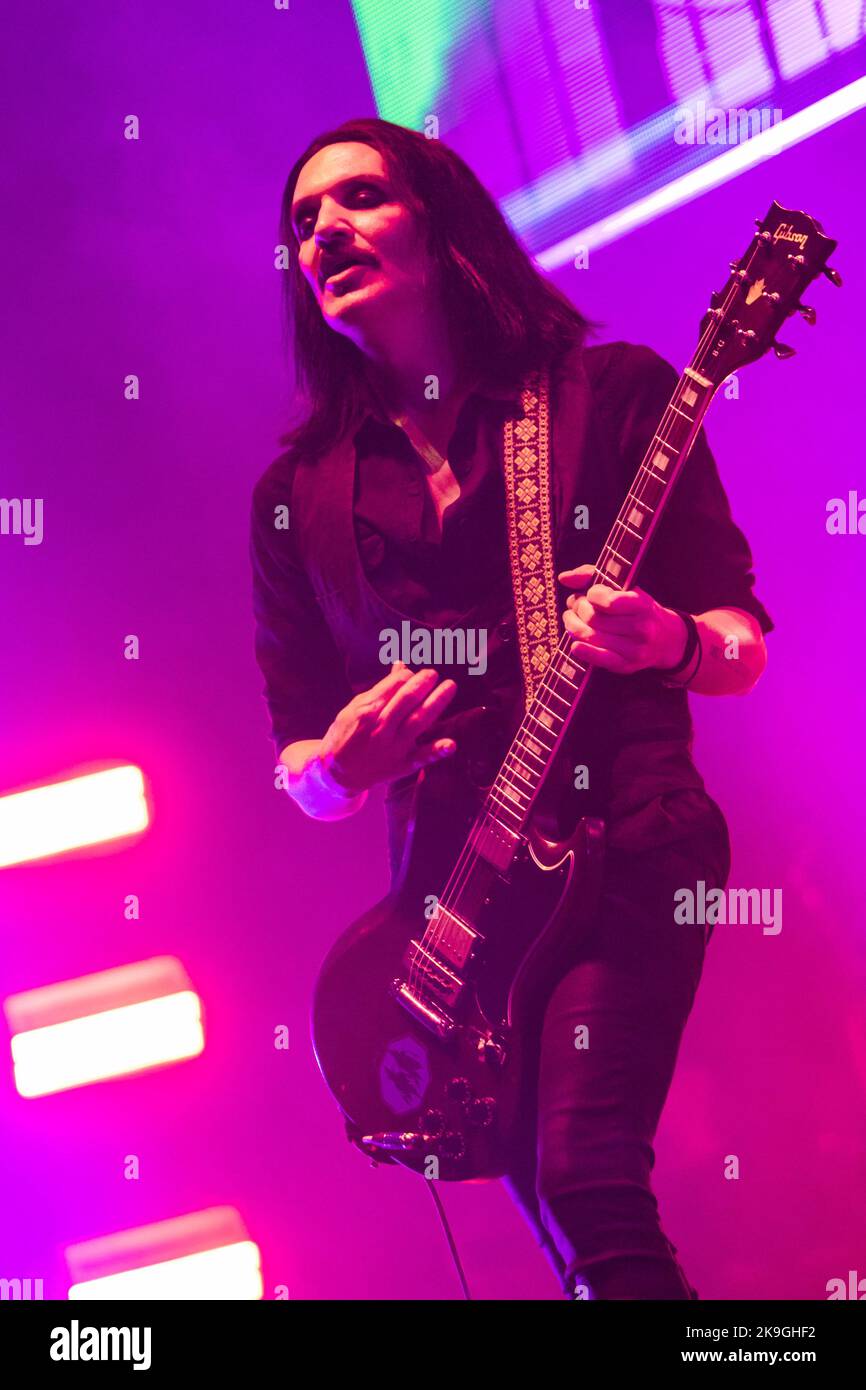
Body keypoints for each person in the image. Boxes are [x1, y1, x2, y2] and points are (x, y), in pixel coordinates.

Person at [250, 117, 772, 1299]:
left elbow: (740, 641)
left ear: (438, 230)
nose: (323, 229)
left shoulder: (611, 393)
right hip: (456, 896)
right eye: (301, 222)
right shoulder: (298, 495)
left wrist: (670, 640)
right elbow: (296, 749)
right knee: (556, 1207)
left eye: (359, 200)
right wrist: (337, 765)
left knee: (581, 1167)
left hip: (625, 836)